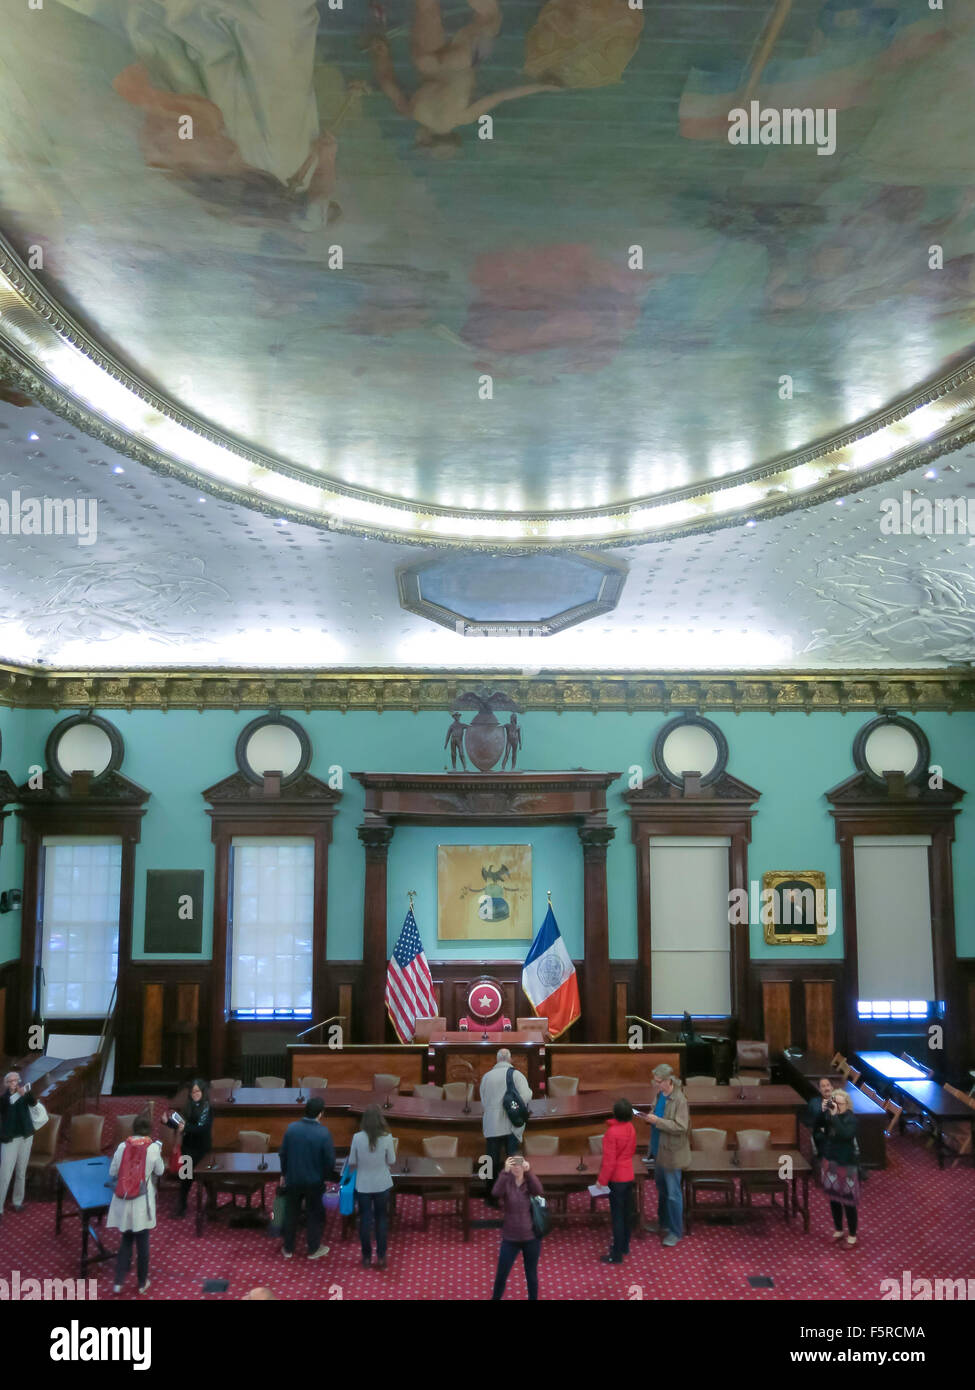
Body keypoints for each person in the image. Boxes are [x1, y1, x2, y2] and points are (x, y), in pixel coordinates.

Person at [365, 0, 561, 153]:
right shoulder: (412, 112)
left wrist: (543, 86)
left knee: (490, 17)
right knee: (427, 7)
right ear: (425, 137)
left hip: (462, 62)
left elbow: (503, 95)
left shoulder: (464, 117)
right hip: (427, 63)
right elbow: (387, 82)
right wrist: (381, 52)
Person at [108, 1113, 165, 1295]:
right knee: (143, 1243)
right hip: (142, 1201)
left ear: (133, 1129)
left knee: (125, 1240)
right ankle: (141, 1283)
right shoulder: (153, 1149)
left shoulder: (122, 1146)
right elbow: (161, 1171)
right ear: (149, 1130)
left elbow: (113, 1171)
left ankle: (118, 1282)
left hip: (124, 1199)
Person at [637, 1062, 691, 1247]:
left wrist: (658, 1121)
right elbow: (655, 1110)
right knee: (662, 1190)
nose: (656, 1083)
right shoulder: (660, 1094)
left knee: (673, 1194)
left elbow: (681, 1127)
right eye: (655, 1080)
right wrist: (648, 1117)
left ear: (669, 1080)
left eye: (659, 1081)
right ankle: (663, 1223)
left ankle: (675, 1231)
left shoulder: (680, 1100)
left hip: (672, 1154)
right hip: (658, 1150)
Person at [279, 1096, 336, 1260]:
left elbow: (283, 1154)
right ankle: (313, 1249)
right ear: (320, 1114)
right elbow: (329, 1161)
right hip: (314, 1181)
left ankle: (288, 1249)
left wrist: (284, 1174)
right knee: (314, 1214)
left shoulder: (291, 1129)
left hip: (293, 1179)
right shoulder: (323, 1133)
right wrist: (324, 1176)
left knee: (291, 1213)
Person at [347, 1103, 396, 1269]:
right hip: (382, 1183)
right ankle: (381, 1257)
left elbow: (352, 1162)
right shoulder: (387, 1137)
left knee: (365, 1220)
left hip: (363, 1185)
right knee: (382, 1219)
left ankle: (366, 1257)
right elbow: (392, 1161)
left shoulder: (357, 1137)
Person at [479, 1047, 532, 1202]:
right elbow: (526, 1096)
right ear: (510, 1059)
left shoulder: (486, 1077)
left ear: (497, 1060)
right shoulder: (516, 1074)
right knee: (515, 1161)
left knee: (489, 1161)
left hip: (490, 1124)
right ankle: (514, 1196)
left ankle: (489, 1195)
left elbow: (483, 1101)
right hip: (510, 1124)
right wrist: (512, 1107)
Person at [491, 1152, 543, 1300]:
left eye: (520, 1163)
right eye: (513, 1163)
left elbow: (539, 1191)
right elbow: (495, 1193)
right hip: (510, 1238)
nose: (517, 1167)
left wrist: (530, 1172)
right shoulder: (506, 1181)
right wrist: (504, 1172)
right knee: (501, 1274)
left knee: (531, 1275)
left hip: (531, 1237)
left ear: (524, 1164)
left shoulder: (529, 1181)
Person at [164, 1078, 212, 1216]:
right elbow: (181, 1126)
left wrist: (186, 1127)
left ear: (203, 1092)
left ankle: (211, 1204)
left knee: (207, 1180)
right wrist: (168, 1122)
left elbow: (202, 1128)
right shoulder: (188, 1106)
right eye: (192, 1092)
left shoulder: (207, 1108)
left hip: (202, 1149)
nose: (194, 1094)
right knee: (185, 1179)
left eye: (197, 1091)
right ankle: (182, 1207)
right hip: (188, 1147)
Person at [598, 1098, 637, 1263]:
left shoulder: (612, 1133)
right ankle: (625, 1246)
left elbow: (609, 1161)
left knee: (618, 1217)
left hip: (617, 1178)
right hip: (629, 1174)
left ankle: (616, 1255)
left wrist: (602, 1181)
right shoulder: (631, 1128)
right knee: (627, 1214)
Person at [821, 1088, 861, 1246]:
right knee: (834, 1199)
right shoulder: (831, 1116)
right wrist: (825, 1112)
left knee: (848, 1202)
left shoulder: (851, 1119)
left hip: (847, 1164)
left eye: (839, 1103)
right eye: (834, 1102)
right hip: (832, 1161)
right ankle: (838, 1229)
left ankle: (852, 1235)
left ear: (847, 1105)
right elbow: (820, 1128)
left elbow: (845, 1134)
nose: (836, 1105)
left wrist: (834, 1116)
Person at [0, 1071, 44, 1215]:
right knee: (5, 1175)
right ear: (6, 1083)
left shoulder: (24, 1094)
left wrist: (24, 1093)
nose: (14, 1083)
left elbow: (33, 1103)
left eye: (16, 1080)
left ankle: (17, 1202)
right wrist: (12, 1094)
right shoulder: (4, 1098)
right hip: (10, 1139)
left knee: (21, 1172)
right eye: (11, 1081)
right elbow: (4, 1107)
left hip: (26, 1137)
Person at [801, 1077, 835, 1161]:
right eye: (823, 1086)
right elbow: (808, 1121)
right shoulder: (814, 1103)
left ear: (832, 1088)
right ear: (819, 1090)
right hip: (821, 1135)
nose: (826, 1088)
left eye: (828, 1085)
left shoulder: (839, 1101)